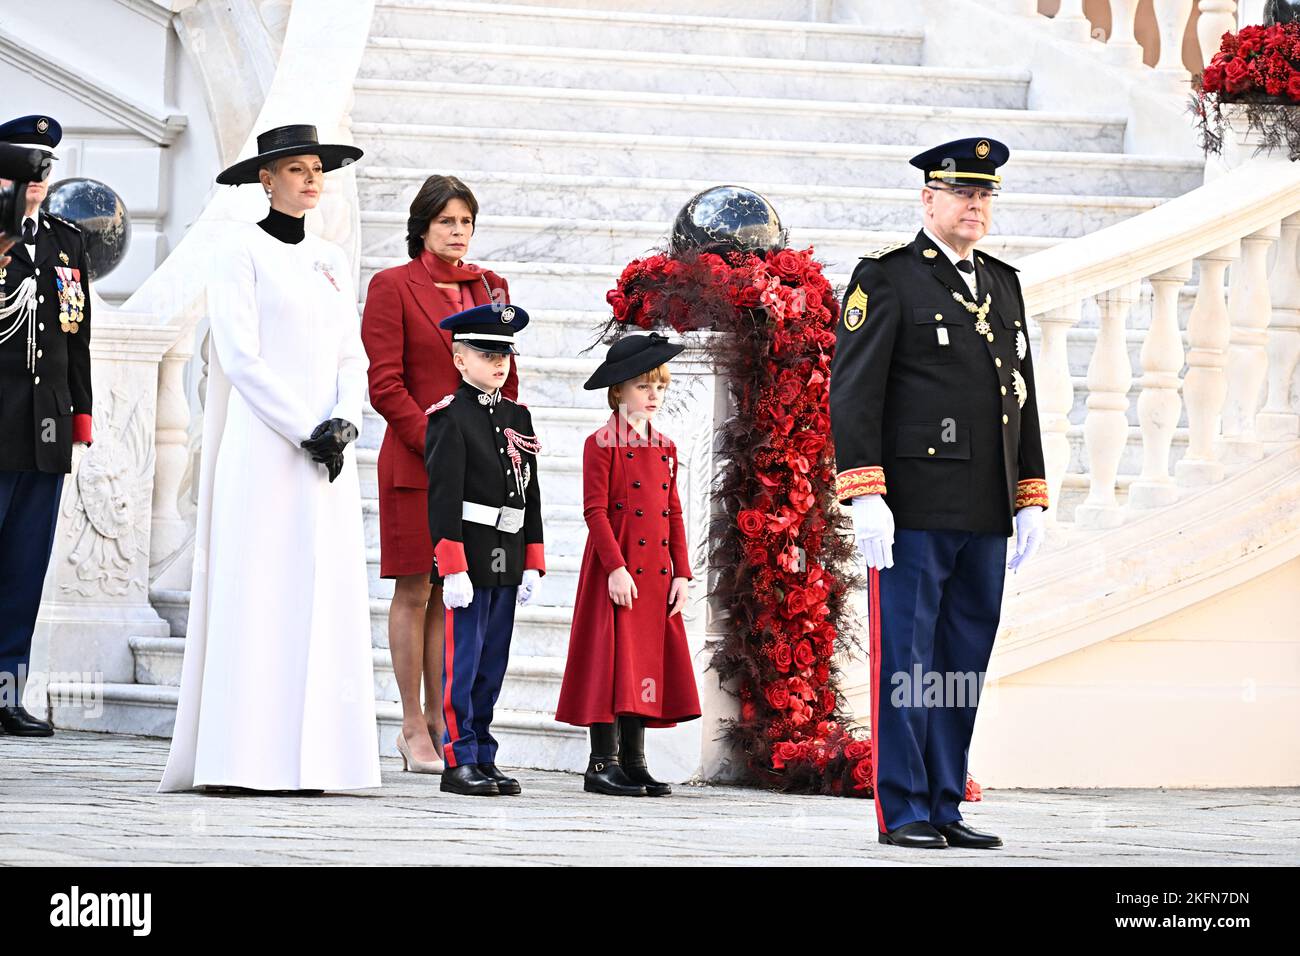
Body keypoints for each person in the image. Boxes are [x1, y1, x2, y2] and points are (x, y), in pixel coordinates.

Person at [829, 137, 1047, 849]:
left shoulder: (1003, 283)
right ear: (928, 199)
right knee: (910, 663)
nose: (975, 205)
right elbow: (855, 392)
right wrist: (865, 492)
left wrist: (1030, 494)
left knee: (959, 663)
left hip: (984, 508)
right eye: (961, 193)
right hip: (913, 508)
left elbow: (1021, 397)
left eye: (984, 195)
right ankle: (906, 806)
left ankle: (946, 798)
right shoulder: (888, 279)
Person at [159, 125, 379, 793]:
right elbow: (240, 355)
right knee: (257, 590)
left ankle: (320, 761)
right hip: (262, 445)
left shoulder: (333, 260)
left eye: (317, 170)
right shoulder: (238, 250)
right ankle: (239, 760)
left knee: (321, 593)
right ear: (267, 179)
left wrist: (343, 419)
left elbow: (351, 353)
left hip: (327, 455)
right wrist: (303, 426)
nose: (311, 180)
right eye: (297, 170)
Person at [361, 175, 515, 775]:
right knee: (415, 589)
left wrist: (501, 448)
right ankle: (409, 724)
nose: (458, 232)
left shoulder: (492, 287)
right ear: (422, 226)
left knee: (457, 595)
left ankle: (443, 719)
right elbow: (385, 383)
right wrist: (443, 445)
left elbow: (506, 370)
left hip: (480, 467)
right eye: (447, 221)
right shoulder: (392, 286)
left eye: (467, 221)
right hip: (415, 458)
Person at [554, 333, 699, 797]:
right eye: (642, 386)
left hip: (656, 572)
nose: (653, 395)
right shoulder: (600, 443)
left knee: (645, 662)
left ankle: (635, 761)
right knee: (611, 662)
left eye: (659, 386)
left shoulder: (666, 445)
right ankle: (602, 763)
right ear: (617, 390)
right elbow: (594, 510)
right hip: (615, 570)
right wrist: (615, 568)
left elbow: (673, 510)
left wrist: (682, 571)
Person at [425, 302, 544, 796]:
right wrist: (452, 566)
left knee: (493, 659)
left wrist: (533, 560)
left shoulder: (518, 414)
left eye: (505, 354)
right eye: (486, 352)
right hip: (470, 555)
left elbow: (530, 491)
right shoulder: (450, 418)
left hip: (508, 551)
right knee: (465, 658)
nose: (499, 362)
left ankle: (485, 753)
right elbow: (443, 497)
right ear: (459, 360)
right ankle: (458, 757)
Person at [0, 115, 91, 738]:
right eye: (24, 169)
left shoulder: (66, 240)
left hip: (45, 426)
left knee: (24, 566)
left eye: (44, 170)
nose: (37, 181)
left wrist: (80, 415)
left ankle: (6, 691)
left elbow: (77, 336)